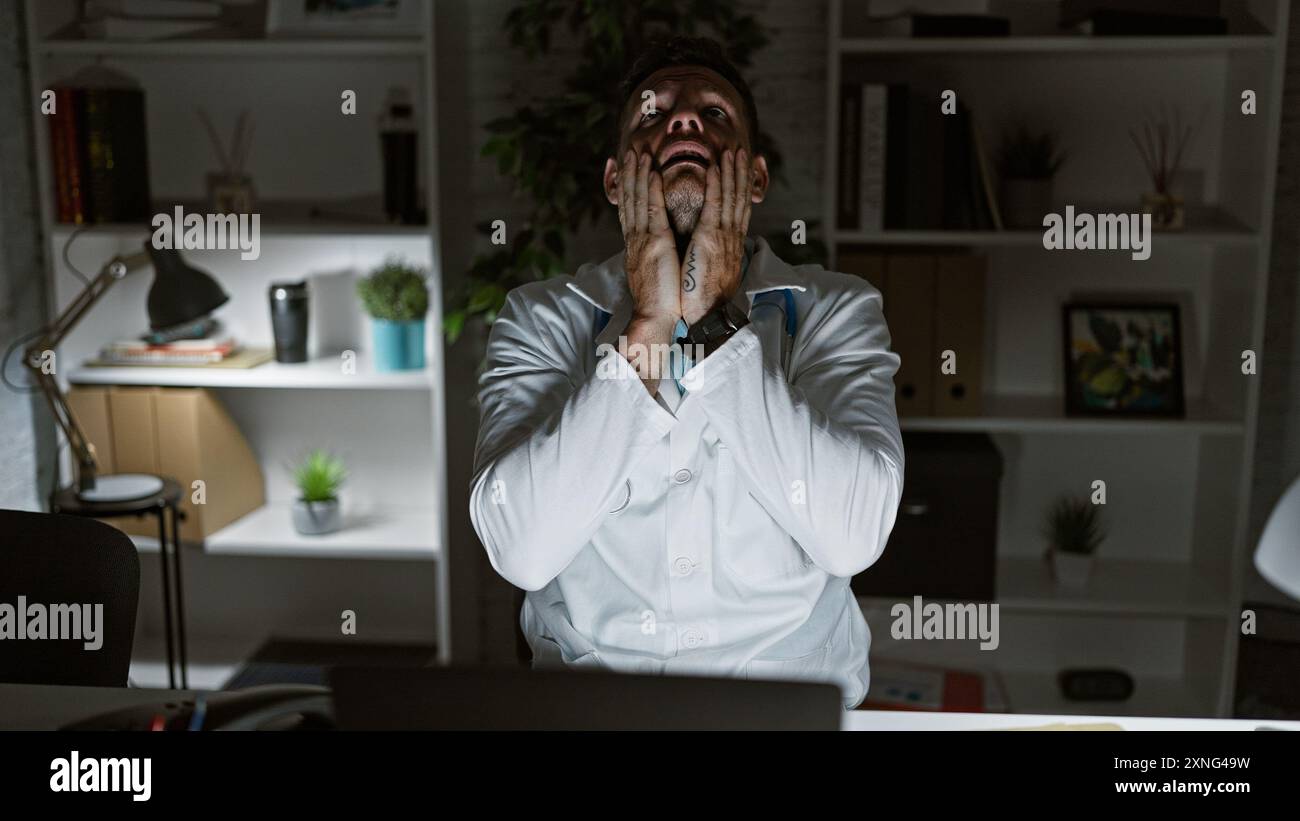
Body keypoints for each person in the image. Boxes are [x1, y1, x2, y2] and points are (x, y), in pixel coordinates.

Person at [470, 35, 903, 709]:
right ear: (616, 180)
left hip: (790, 712)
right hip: (590, 712)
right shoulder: (538, 319)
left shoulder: (835, 310)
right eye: (654, 113)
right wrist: (647, 326)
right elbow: (522, 548)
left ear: (754, 178)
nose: (683, 120)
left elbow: (852, 535)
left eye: (714, 114)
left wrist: (711, 325)